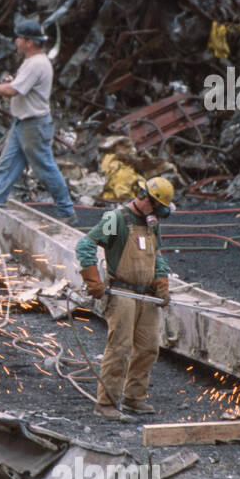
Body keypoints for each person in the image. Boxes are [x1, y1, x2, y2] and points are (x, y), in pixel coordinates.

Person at [75, 176, 176, 419]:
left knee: (149, 347)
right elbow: (86, 245)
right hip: (122, 294)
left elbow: (157, 254)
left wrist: (161, 282)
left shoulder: (152, 223)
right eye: (156, 209)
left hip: (146, 295)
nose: (157, 215)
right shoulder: (116, 219)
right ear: (146, 200)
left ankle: (134, 397)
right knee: (119, 348)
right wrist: (92, 280)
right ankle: (106, 403)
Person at [0, 17, 75, 223]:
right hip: (23, 123)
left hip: (33, 125)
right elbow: (20, 87)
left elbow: (11, 92)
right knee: (8, 163)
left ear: (29, 42)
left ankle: (67, 212)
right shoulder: (32, 62)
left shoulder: (36, 63)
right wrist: (15, 82)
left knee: (45, 168)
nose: (16, 41)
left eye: (19, 38)